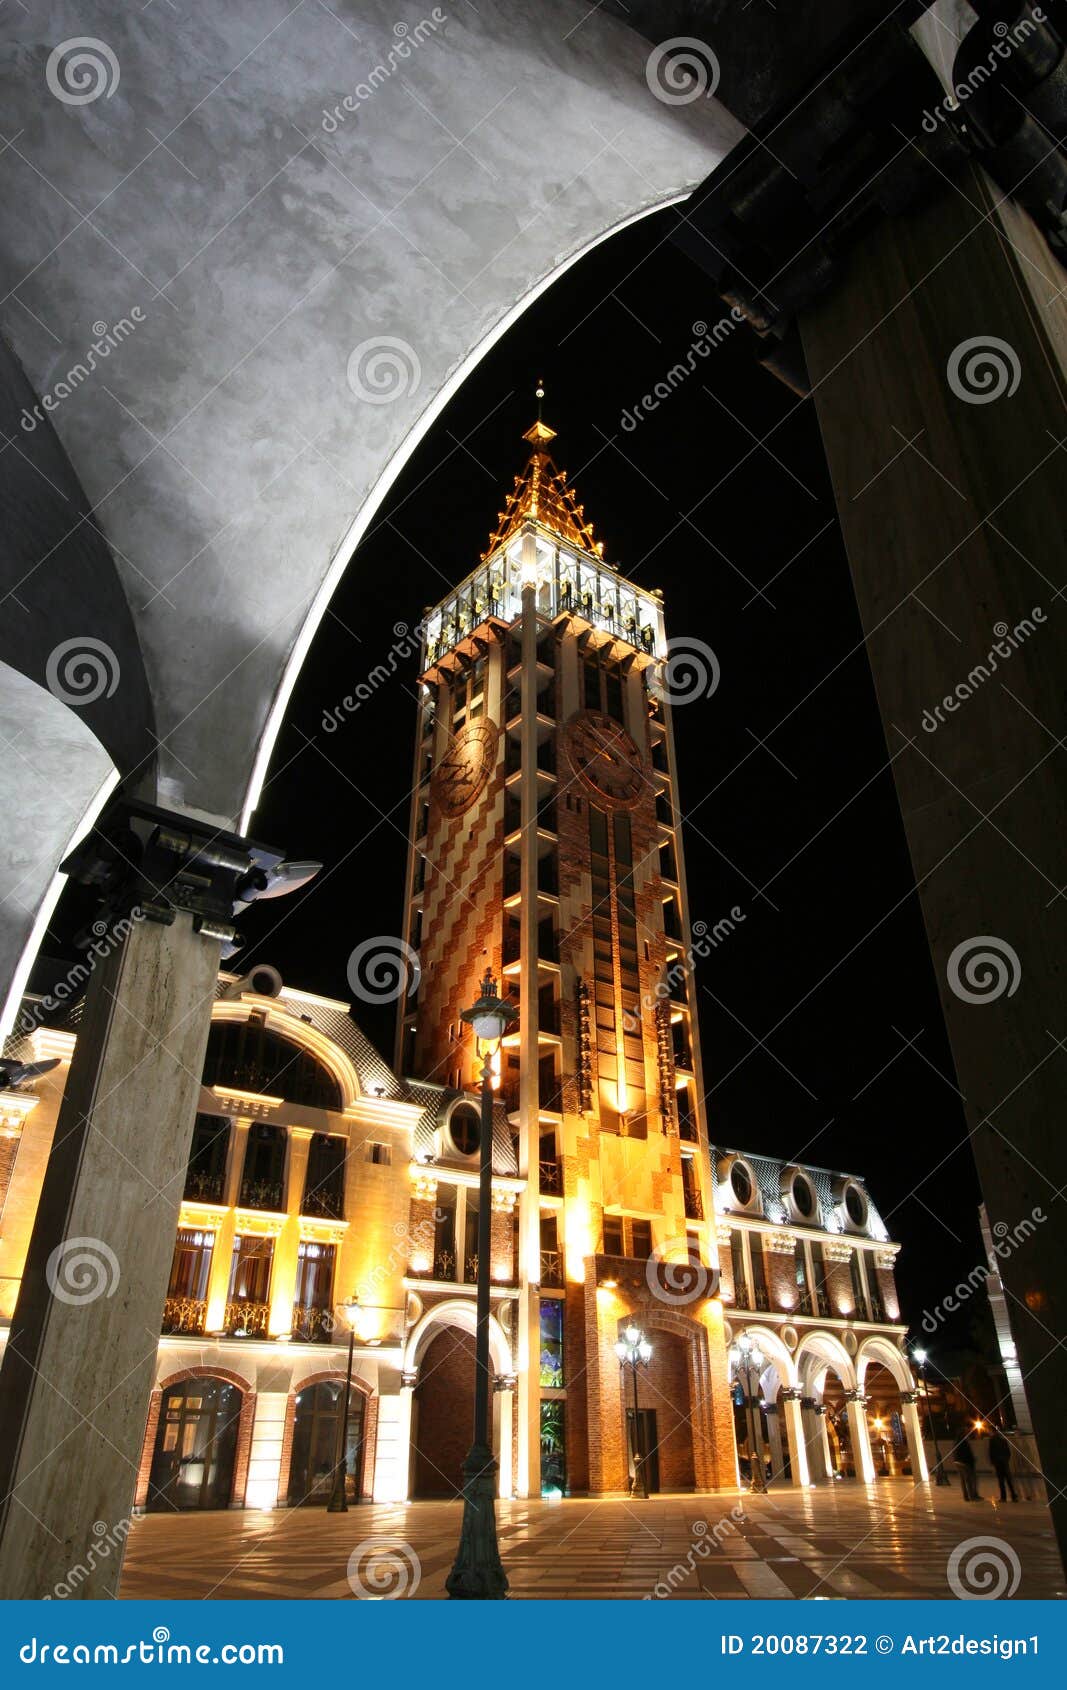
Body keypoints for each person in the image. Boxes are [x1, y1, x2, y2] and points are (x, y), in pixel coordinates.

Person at [988, 1430, 1018, 1502]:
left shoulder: (992, 1441)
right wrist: (1006, 1459)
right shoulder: (1003, 1440)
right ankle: (1013, 1496)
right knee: (1008, 1480)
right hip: (1004, 1462)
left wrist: (993, 1461)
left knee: (1001, 1481)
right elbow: (1008, 1452)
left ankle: (1003, 1497)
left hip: (998, 1463)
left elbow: (991, 1452)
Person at [952, 1432, 979, 1500]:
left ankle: (966, 1496)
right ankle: (972, 1496)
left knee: (963, 1480)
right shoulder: (964, 1443)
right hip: (965, 1463)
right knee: (969, 1480)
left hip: (958, 1463)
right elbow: (967, 1454)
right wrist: (972, 1461)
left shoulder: (956, 1443)